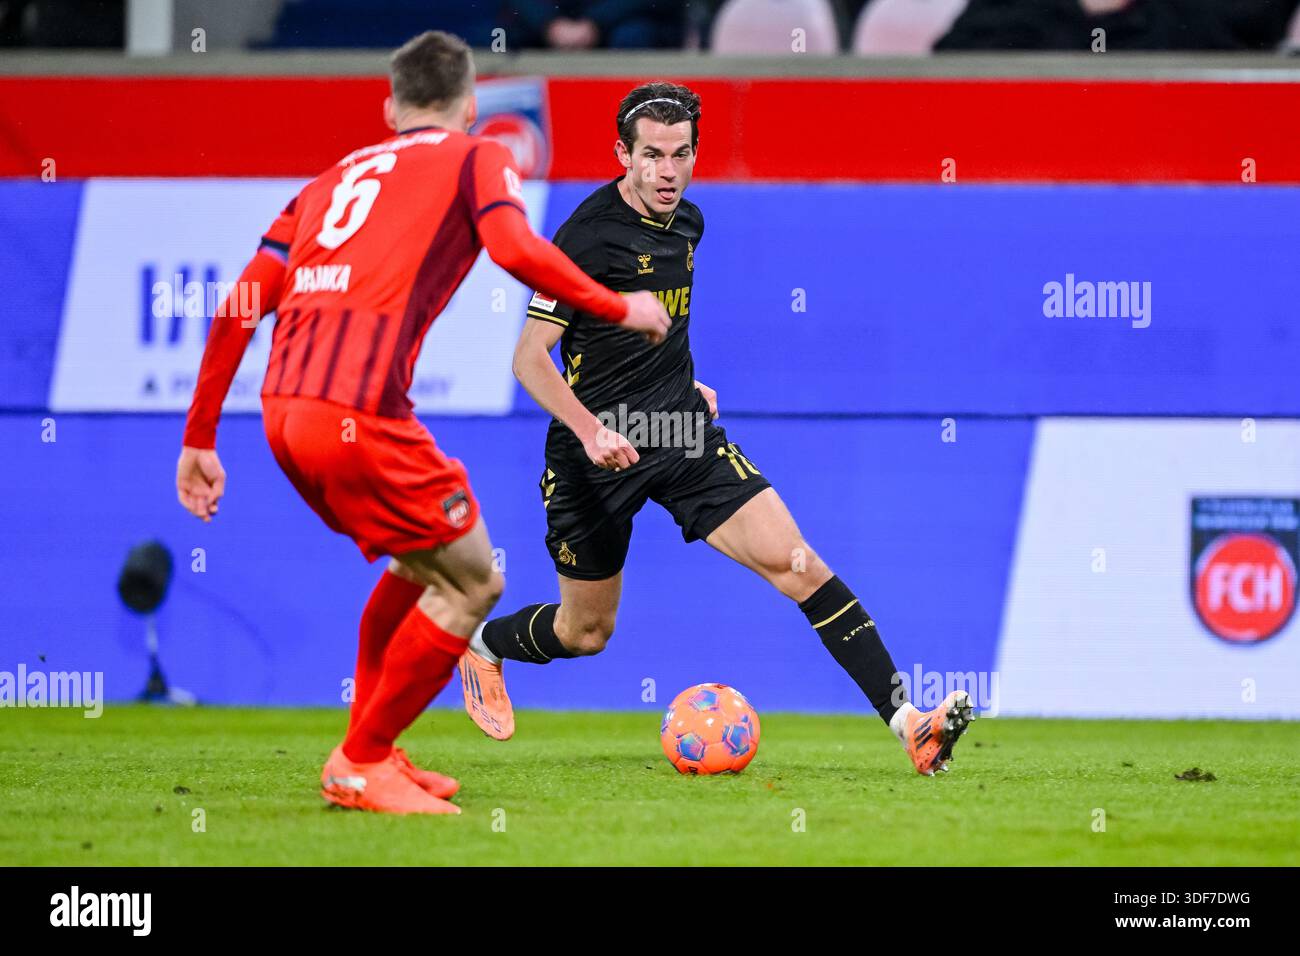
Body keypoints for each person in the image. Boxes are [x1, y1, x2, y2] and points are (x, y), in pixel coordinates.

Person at [175, 31, 671, 815]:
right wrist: (618, 306)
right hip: (358, 410)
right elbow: (511, 244)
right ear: (472, 107)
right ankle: (361, 759)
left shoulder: (328, 182)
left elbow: (241, 302)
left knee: (420, 567)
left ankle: (372, 749)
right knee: (478, 580)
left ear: (390, 107)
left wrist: (200, 436)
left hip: (283, 416)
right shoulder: (476, 157)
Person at [457, 82, 973, 776]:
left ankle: (912, 724)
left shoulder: (690, 224)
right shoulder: (587, 235)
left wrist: (678, 380)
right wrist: (588, 430)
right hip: (594, 456)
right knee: (586, 632)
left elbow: (654, 329)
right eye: (651, 155)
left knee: (799, 564)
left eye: (680, 154)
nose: (666, 171)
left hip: (678, 434)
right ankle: (484, 644)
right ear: (623, 154)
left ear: (695, 155)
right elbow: (528, 359)